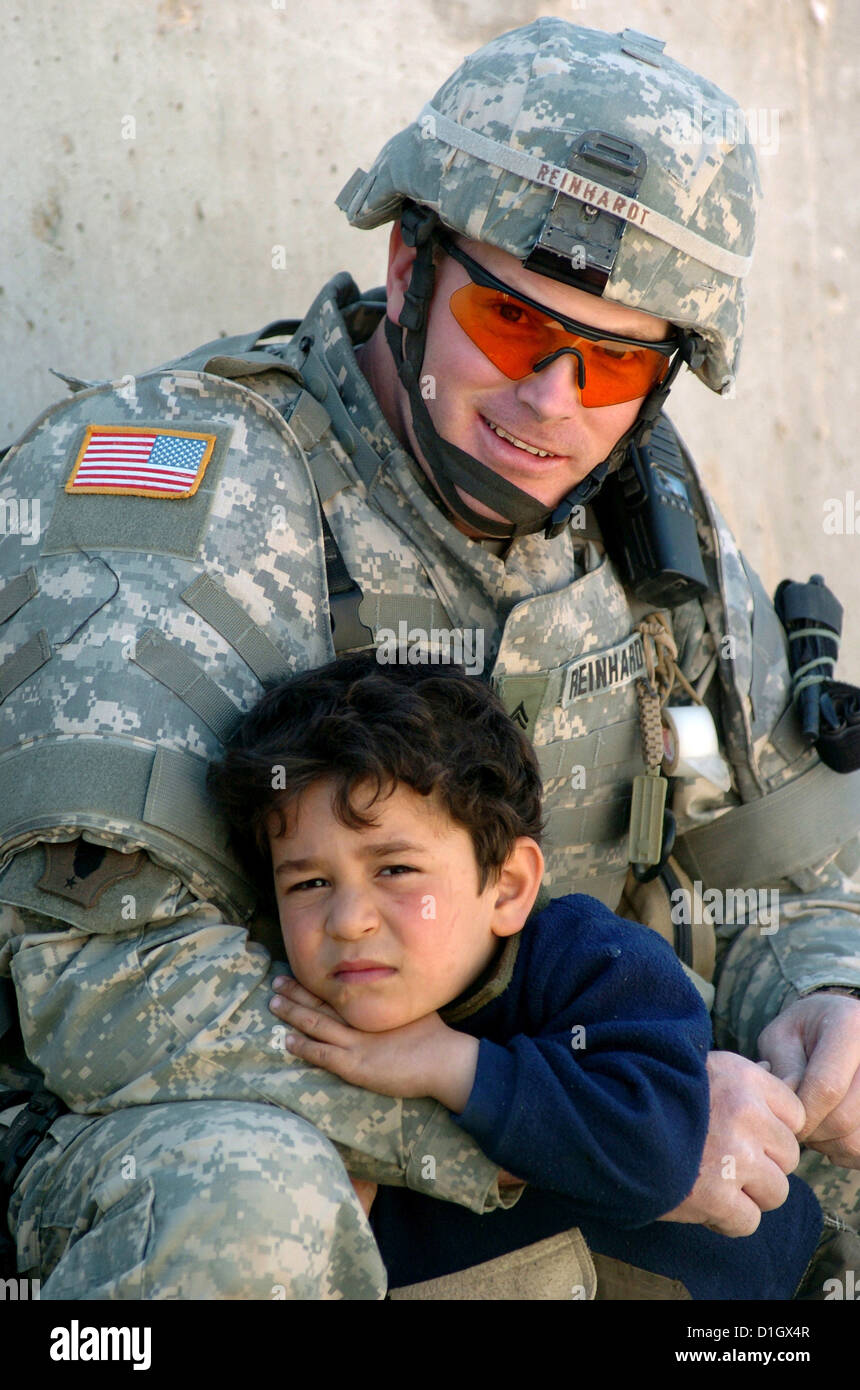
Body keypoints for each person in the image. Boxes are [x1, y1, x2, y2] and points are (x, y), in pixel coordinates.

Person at [1, 17, 859, 1299]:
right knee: (251, 1206)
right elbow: (112, 993)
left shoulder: (642, 522)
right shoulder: (182, 486)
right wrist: (557, 1136)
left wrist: (821, 1003)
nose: (551, 401)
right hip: (183, 1128)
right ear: (407, 267)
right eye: (509, 325)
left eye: (617, 358)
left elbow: (780, 874)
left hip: (546, 1103)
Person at [209, 650, 830, 1300]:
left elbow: (660, 1157)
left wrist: (451, 1065)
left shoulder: (591, 964)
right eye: (309, 882)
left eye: (394, 870)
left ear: (508, 887)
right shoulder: (293, 1017)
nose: (347, 920)